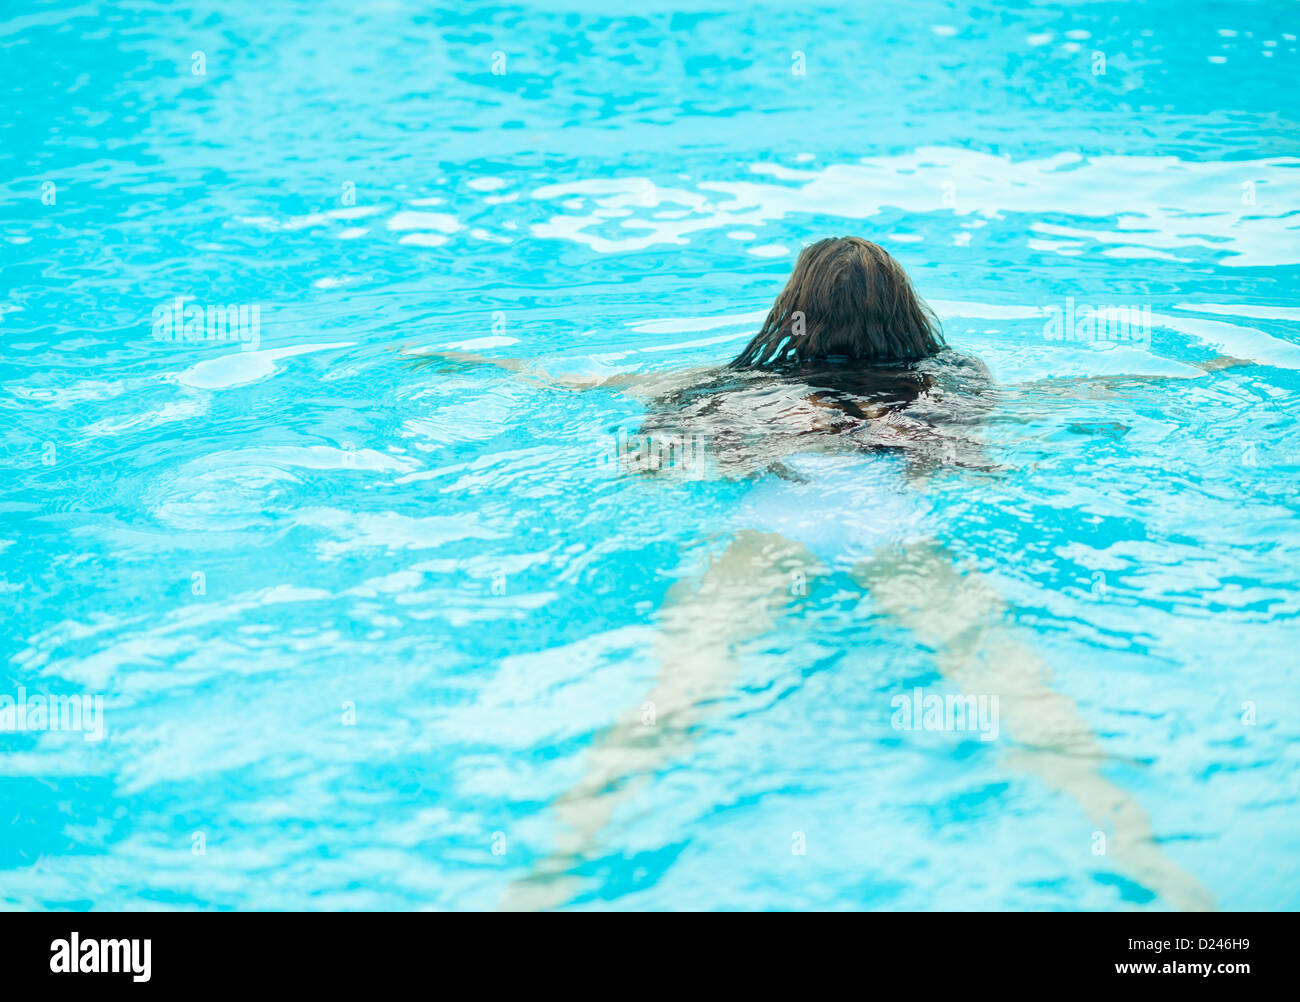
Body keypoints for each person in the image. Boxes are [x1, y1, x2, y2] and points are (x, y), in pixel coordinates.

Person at [405, 237, 1234, 910]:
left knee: (675, 700)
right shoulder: (950, 383)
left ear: (792, 320)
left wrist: (483, 368)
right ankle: (1161, 881)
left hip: (775, 520)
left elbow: (593, 386)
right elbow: (1071, 397)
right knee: (1021, 694)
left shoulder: (734, 387)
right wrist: (1198, 376)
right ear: (908, 317)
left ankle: (548, 874)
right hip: (895, 526)